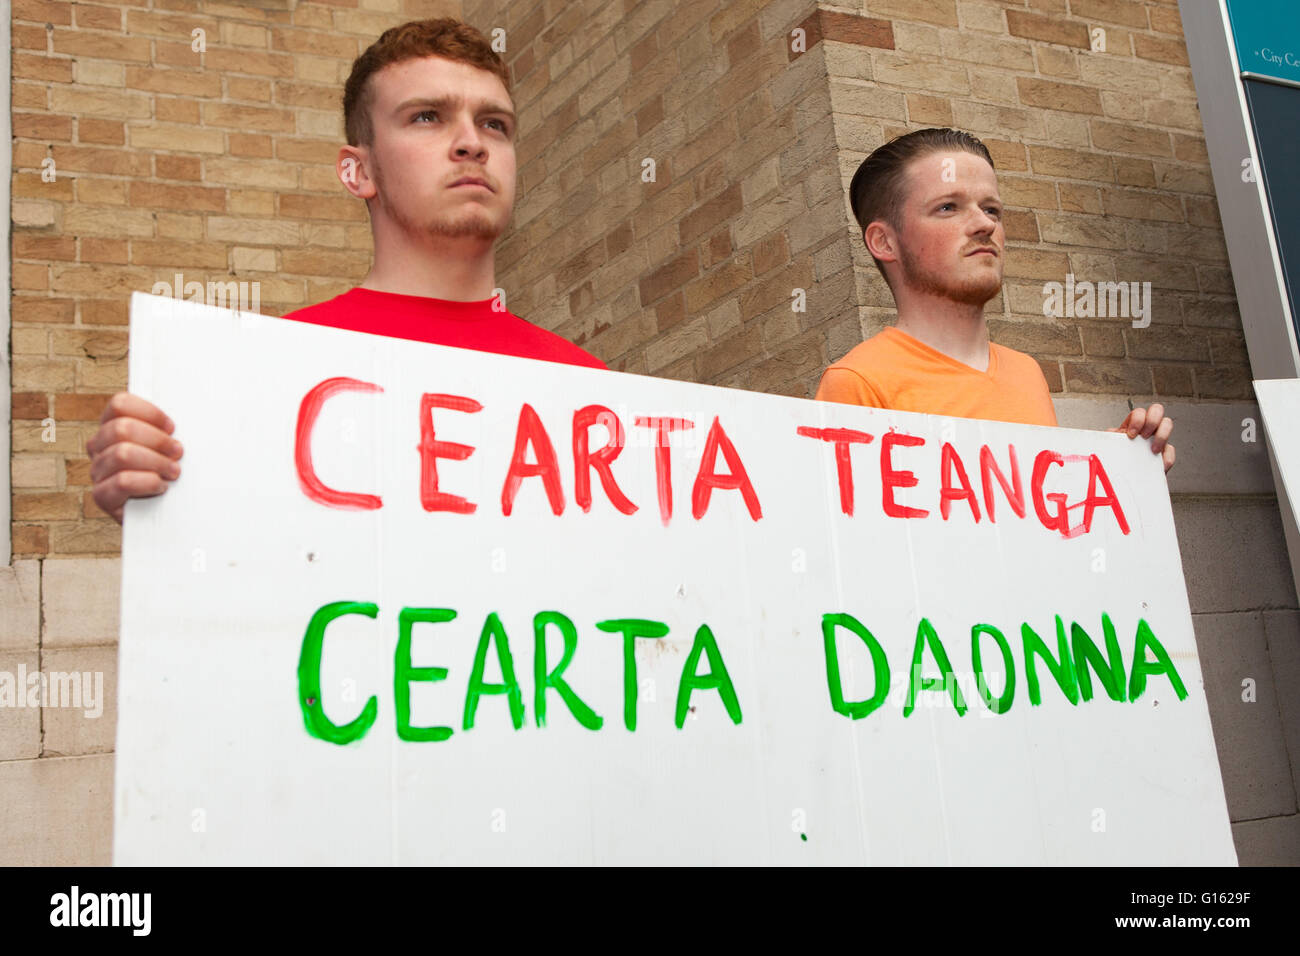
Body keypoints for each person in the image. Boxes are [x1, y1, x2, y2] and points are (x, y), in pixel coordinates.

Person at [88, 19, 604, 526]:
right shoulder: (266, 375)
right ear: (358, 171)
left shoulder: (593, 394)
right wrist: (160, 502)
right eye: (427, 116)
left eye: (495, 123)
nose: (473, 142)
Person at [816, 127, 1175, 472]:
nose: (984, 224)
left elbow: (1029, 517)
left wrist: (1113, 472)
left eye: (991, 209)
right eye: (948, 207)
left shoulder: (1027, 373)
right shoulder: (857, 382)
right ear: (884, 242)